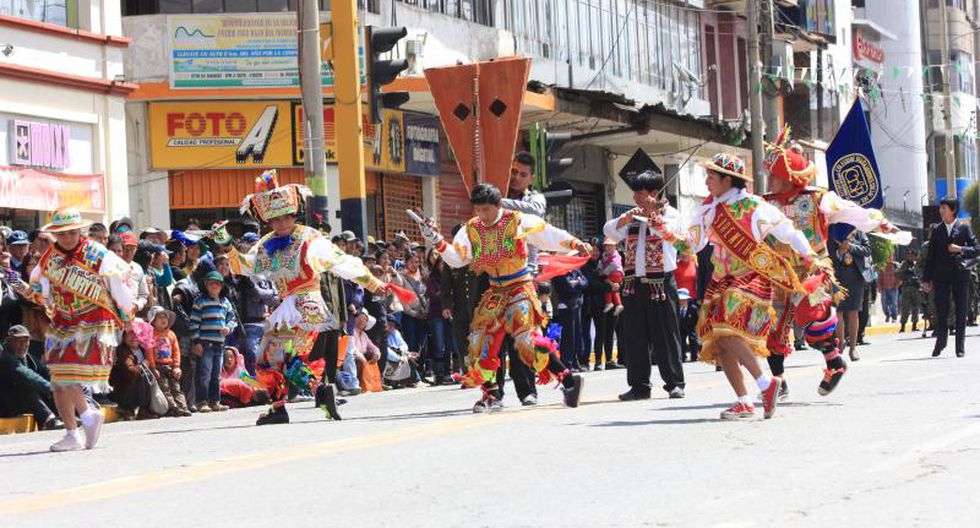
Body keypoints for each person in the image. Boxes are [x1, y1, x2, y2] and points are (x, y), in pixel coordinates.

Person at [216, 170, 386, 425]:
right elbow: (246, 266)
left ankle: (318, 392)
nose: (280, 224)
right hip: (285, 306)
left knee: (296, 357)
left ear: (293, 215)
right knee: (269, 357)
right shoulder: (266, 243)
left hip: (308, 303)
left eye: (285, 217)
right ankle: (284, 405)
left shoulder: (309, 238)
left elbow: (338, 261)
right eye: (274, 220)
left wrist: (370, 281)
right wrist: (227, 244)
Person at [417, 183, 588, 412]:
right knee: (480, 341)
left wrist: (574, 243)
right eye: (477, 210)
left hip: (520, 287)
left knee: (527, 342)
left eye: (486, 209)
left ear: (498, 205)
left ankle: (568, 380)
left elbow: (547, 234)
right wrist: (436, 239)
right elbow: (457, 258)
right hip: (495, 290)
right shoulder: (471, 229)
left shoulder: (518, 221)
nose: (482, 215)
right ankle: (491, 394)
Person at [761, 128, 902, 395]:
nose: (769, 180)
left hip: (812, 273)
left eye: (774, 175)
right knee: (773, 327)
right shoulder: (765, 203)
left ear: (787, 177)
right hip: (778, 274)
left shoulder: (818, 199)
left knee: (815, 323)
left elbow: (852, 212)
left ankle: (834, 363)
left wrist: (882, 224)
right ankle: (778, 381)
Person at [686, 153, 818, 420]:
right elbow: (693, 245)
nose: (707, 181)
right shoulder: (708, 209)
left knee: (726, 329)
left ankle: (766, 384)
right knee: (720, 342)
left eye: (711, 176)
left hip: (750, 277)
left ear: (727, 179)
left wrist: (810, 256)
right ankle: (744, 401)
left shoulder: (754, 205)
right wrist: (666, 231)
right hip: (720, 279)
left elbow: (789, 231)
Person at [11, 208, 134, 450]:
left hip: (93, 320)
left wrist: (128, 314)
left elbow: (117, 288)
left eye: (71, 232)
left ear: (80, 231)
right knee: (57, 378)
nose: (67, 238)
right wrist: (22, 287)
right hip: (64, 321)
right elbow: (41, 294)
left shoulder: (98, 254)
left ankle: (87, 415)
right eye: (62, 233)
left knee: (67, 374)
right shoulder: (49, 259)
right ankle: (73, 431)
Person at [604, 170, 686, 401]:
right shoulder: (634, 215)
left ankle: (674, 383)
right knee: (634, 335)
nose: (635, 198)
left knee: (666, 334)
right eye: (634, 193)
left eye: (639, 193)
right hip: (633, 283)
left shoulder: (671, 214)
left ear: (653, 193)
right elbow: (609, 231)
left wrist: (653, 217)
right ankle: (639, 385)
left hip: (660, 281)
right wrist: (626, 219)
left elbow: (669, 236)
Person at [922, 197, 980, 358]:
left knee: (961, 311)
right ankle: (941, 342)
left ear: (953, 210)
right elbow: (931, 256)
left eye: (944, 208)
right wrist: (926, 279)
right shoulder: (937, 229)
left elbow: (977, 249)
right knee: (942, 310)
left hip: (960, 275)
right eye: (941, 208)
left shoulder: (964, 228)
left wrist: (960, 249)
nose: (941, 211)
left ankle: (959, 347)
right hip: (941, 277)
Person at [189, 271, 237, 414]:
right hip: (205, 343)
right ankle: (202, 401)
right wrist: (196, 341)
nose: (214, 286)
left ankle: (215, 401)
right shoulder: (200, 301)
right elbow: (194, 323)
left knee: (216, 374)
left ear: (222, 286)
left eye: (217, 283)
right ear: (206, 285)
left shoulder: (225, 302)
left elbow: (232, 319)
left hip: (220, 344)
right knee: (204, 374)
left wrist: (228, 328)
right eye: (211, 283)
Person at [0, 325, 62, 430]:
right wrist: (52, 388)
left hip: (20, 401)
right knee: (27, 384)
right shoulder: (4, 355)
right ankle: (49, 420)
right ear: (9, 341)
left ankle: (67, 414)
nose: (23, 344)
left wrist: (60, 383)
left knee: (55, 386)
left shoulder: (26, 356)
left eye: (26, 341)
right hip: (5, 404)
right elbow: (26, 374)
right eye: (18, 341)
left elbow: (44, 371)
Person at [440, 223, 479, 376]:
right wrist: (446, 306)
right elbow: (446, 285)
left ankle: (482, 372)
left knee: (479, 338)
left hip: (478, 304)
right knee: (462, 339)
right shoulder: (450, 259)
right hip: (460, 305)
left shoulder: (477, 254)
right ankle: (468, 372)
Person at [829, 229, 872, 362]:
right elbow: (827, 252)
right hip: (837, 277)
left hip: (855, 278)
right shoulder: (833, 229)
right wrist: (839, 252)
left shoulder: (858, 231)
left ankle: (853, 348)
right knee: (838, 312)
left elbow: (867, 249)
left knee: (853, 312)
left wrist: (851, 247)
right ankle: (840, 344)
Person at [146, 306, 191, 417]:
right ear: (153, 320)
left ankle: (183, 407)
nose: (164, 319)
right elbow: (149, 352)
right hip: (158, 366)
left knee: (176, 388)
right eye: (160, 317)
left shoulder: (171, 334)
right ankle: (174, 408)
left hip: (170, 365)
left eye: (165, 316)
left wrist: (177, 366)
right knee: (165, 387)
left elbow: (176, 351)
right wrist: (152, 368)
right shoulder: (150, 334)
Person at [425, 249, 455, 384]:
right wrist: (446, 295)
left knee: (450, 344)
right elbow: (433, 295)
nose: (443, 266)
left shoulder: (452, 277)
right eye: (441, 263)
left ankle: (449, 373)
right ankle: (439, 375)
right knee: (439, 345)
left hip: (450, 315)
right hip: (436, 314)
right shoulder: (432, 278)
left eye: (445, 264)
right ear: (437, 265)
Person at [553, 267, 589, 371]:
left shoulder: (576, 271)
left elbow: (585, 283)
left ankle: (575, 361)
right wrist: (576, 285)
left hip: (576, 305)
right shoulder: (559, 272)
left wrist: (577, 283)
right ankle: (567, 363)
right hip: (565, 306)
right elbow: (565, 287)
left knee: (576, 335)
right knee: (567, 336)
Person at [120, 232, 150, 315]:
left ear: (136, 250)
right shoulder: (112, 266)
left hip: (132, 314)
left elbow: (143, 294)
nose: (129, 253)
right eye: (126, 249)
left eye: (132, 249)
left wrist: (137, 306)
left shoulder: (138, 268)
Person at [898, 249, 922, 333]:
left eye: (912, 255)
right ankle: (902, 326)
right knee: (905, 308)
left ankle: (914, 325)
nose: (910, 257)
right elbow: (897, 273)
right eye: (909, 255)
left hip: (916, 288)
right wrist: (905, 272)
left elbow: (920, 274)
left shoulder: (916, 265)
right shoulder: (904, 264)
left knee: (916, 307)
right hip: (907, 288)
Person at [600, 239, 625, 315]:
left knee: (607, 282)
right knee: (613, 290)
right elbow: (602, 263)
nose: (608, 247)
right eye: (607, 246)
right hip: (614, 275)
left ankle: (609, 302)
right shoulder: (605, 255)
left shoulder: (616, 255)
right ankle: (618, 304)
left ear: (615, 247)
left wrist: (604, 272)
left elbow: (614, 265)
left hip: (616, 273)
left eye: (611, 246)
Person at [677, 289, 700, 362]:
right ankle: (682, 356)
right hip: (681, 326)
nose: (682, 301)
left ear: (687, 299)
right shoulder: (675, 308)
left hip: (691, 325)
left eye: (684, 299)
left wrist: (697, 327)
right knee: (681, 340)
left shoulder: (693, 308)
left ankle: (694, 356)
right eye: (680, 299)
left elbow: (696, 318)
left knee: (693, 339)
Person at [878, 257, 900, 324]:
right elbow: (880, 277)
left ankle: (894, 317)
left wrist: (897, 285)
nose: (890, 258)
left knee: (894, 303)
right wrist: (880, 287)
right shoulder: (882, 266)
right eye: (888, 257)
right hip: (884, 287)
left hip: (894, 287)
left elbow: (899, 276)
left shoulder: (896, 266)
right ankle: (887, 314)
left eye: (891, 256)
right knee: (884, 303)